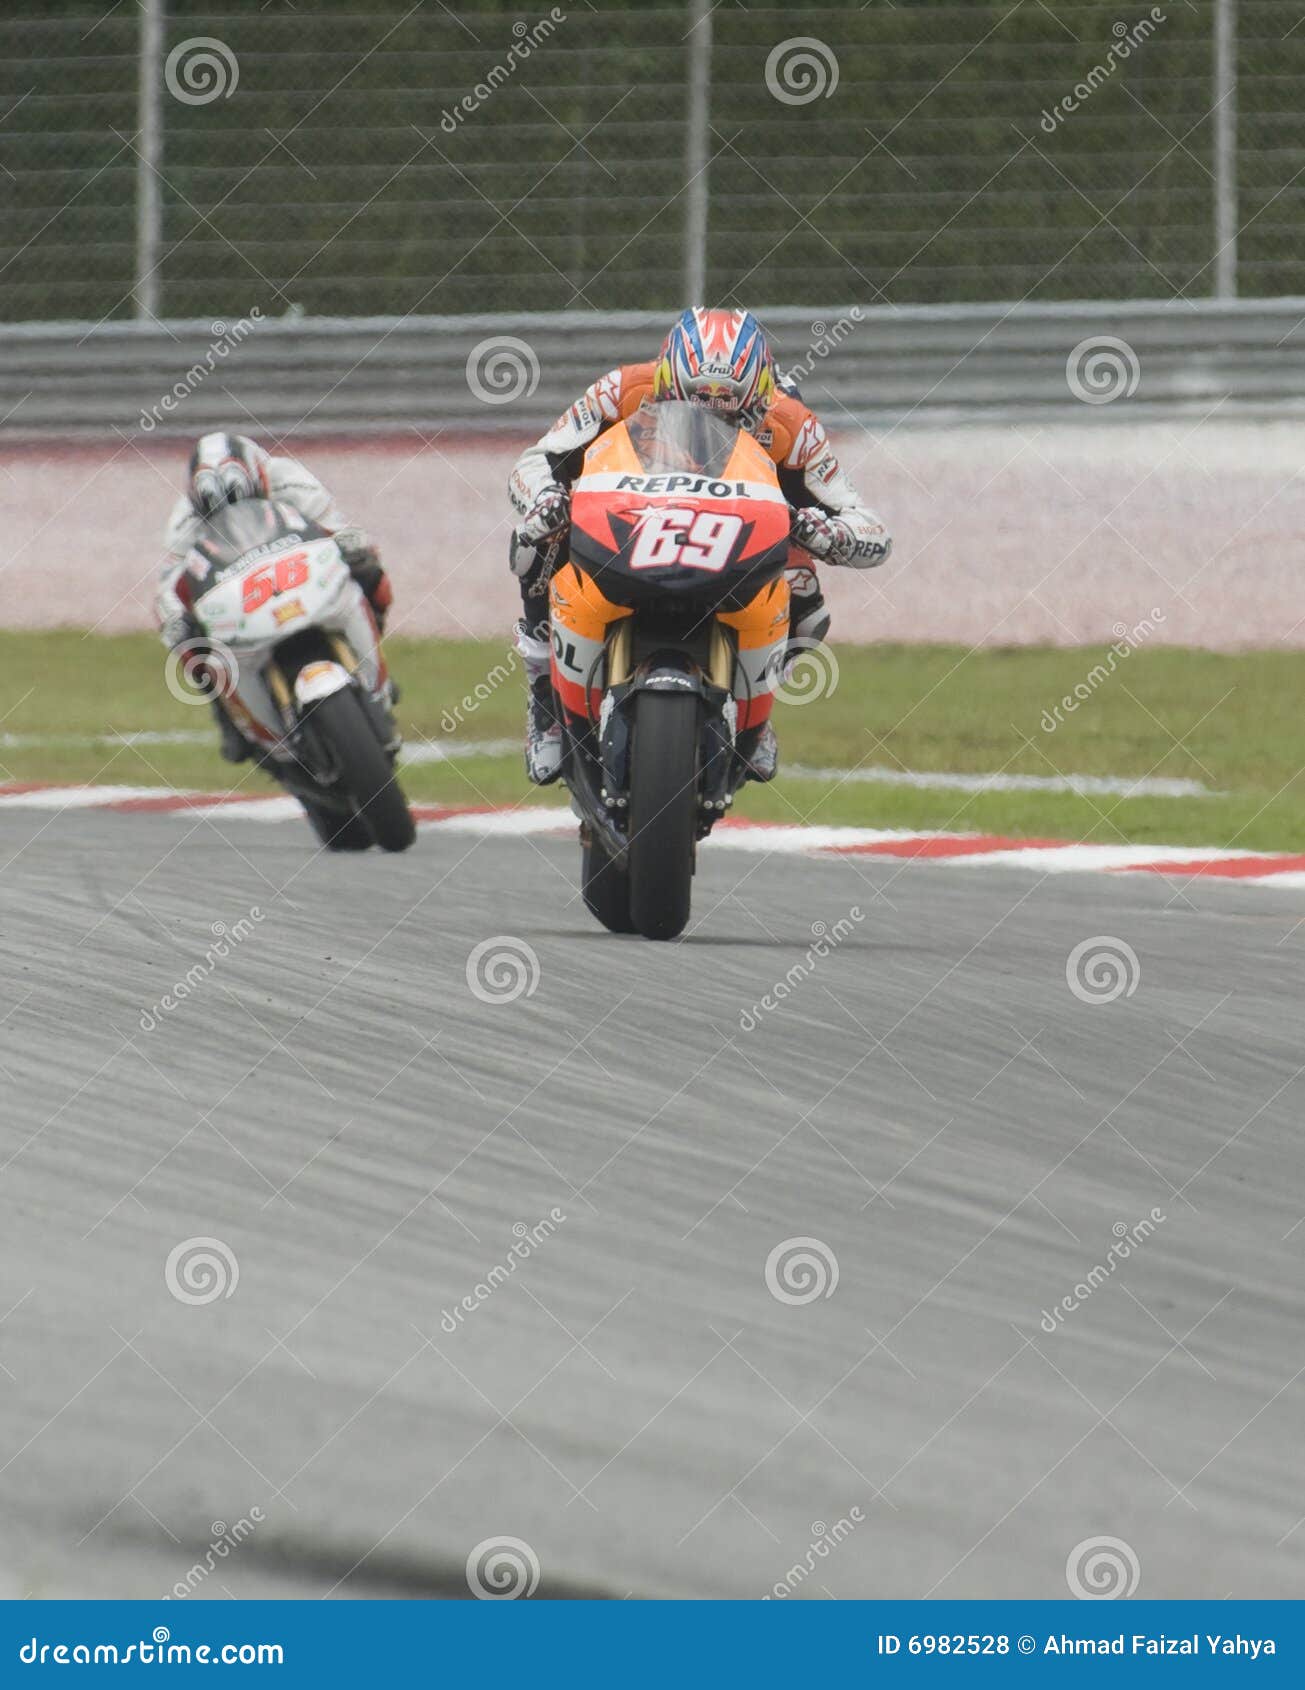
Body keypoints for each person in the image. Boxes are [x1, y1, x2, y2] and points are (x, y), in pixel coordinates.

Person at [505, 307, 891, 785]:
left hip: (736, 534)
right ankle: (545, 696)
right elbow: (534, 461)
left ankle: (755, 708)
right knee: (538, 538)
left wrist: (826, 533)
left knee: (805, 598)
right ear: (666, 383)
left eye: (729, 409)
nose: (711, 416)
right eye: (697, 401)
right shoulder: (621, 390)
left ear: (761, 394)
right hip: (634, 519)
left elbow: (871, 529)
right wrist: (546, 498)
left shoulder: (792, 424)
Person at [154, 433, 392, 762]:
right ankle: (225, 715)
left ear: (260, 479)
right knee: (188, 643)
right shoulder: (185, 519)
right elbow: (169, 585)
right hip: (238, 591)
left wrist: (353, 546)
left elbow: (336, 528)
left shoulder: (290, 480)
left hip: (297, 572)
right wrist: (176, 619)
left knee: (368, 567)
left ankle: (373, 645)